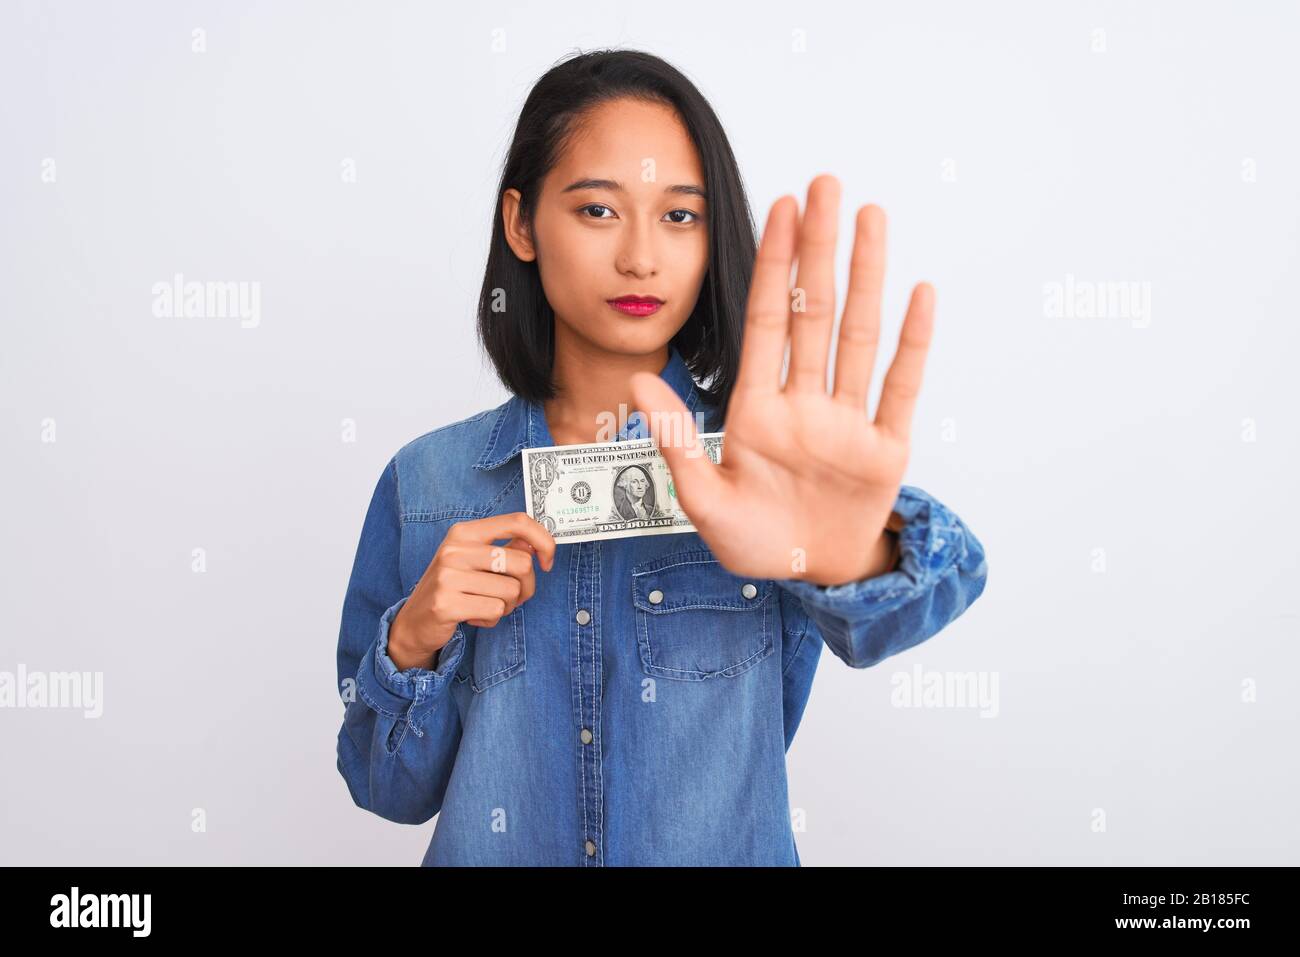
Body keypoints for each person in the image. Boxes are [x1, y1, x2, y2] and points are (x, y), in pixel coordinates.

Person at [335, 49, 988, 866]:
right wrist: (413, 643)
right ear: (522, 223)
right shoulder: (427, 485)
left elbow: (946, 582)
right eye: (599, 210)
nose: (642, 256)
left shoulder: (764, 467)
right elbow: (384, 787)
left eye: (680, 215)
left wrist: (848, 549)